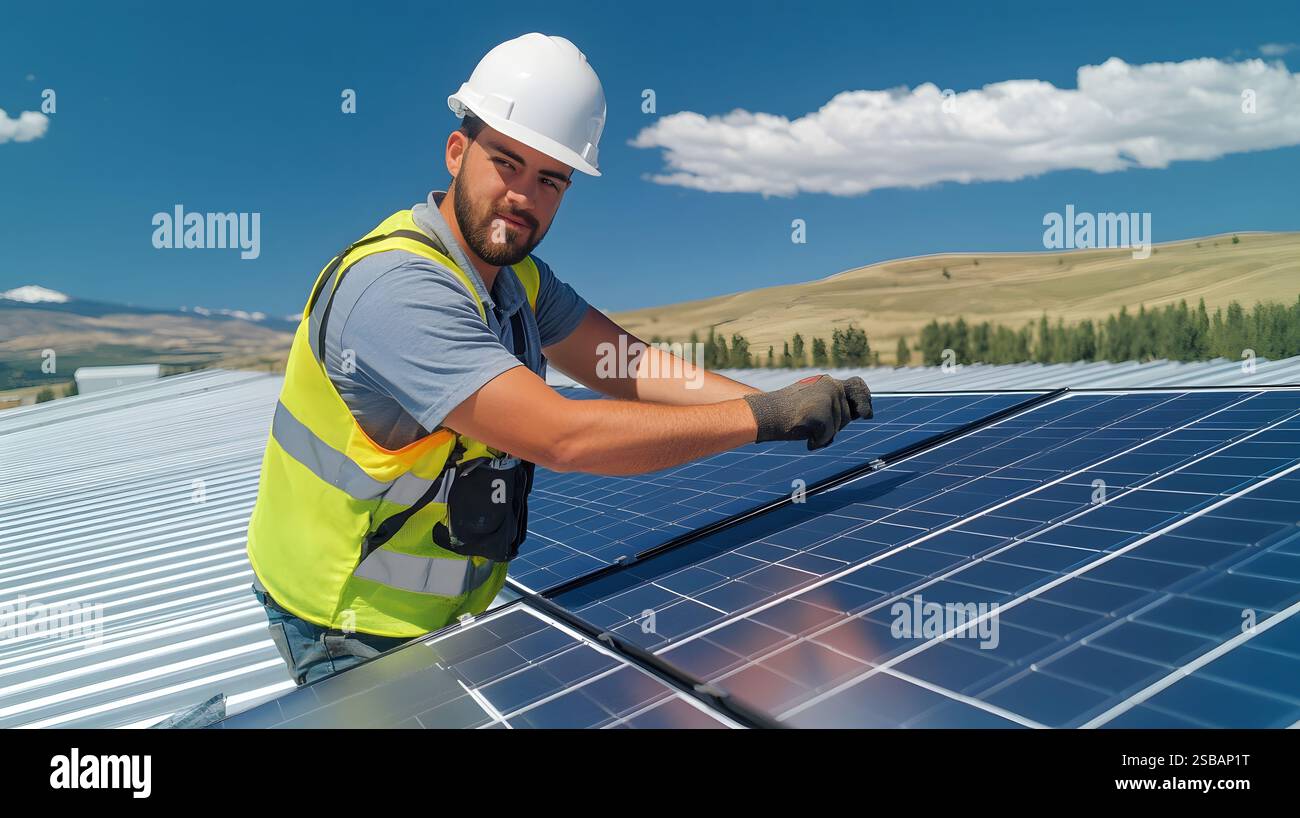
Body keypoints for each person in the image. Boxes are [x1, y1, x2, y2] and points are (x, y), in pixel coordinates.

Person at [245, 32, 873, 686]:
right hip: (346, 624)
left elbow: (629, 367)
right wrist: (763, 417)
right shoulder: (395, 292)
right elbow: (562, 436)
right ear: (457, 153)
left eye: (550, 179)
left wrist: (784, 401)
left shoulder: (518, 282)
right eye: (506, 162)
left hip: (443, 617)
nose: (524, 195)